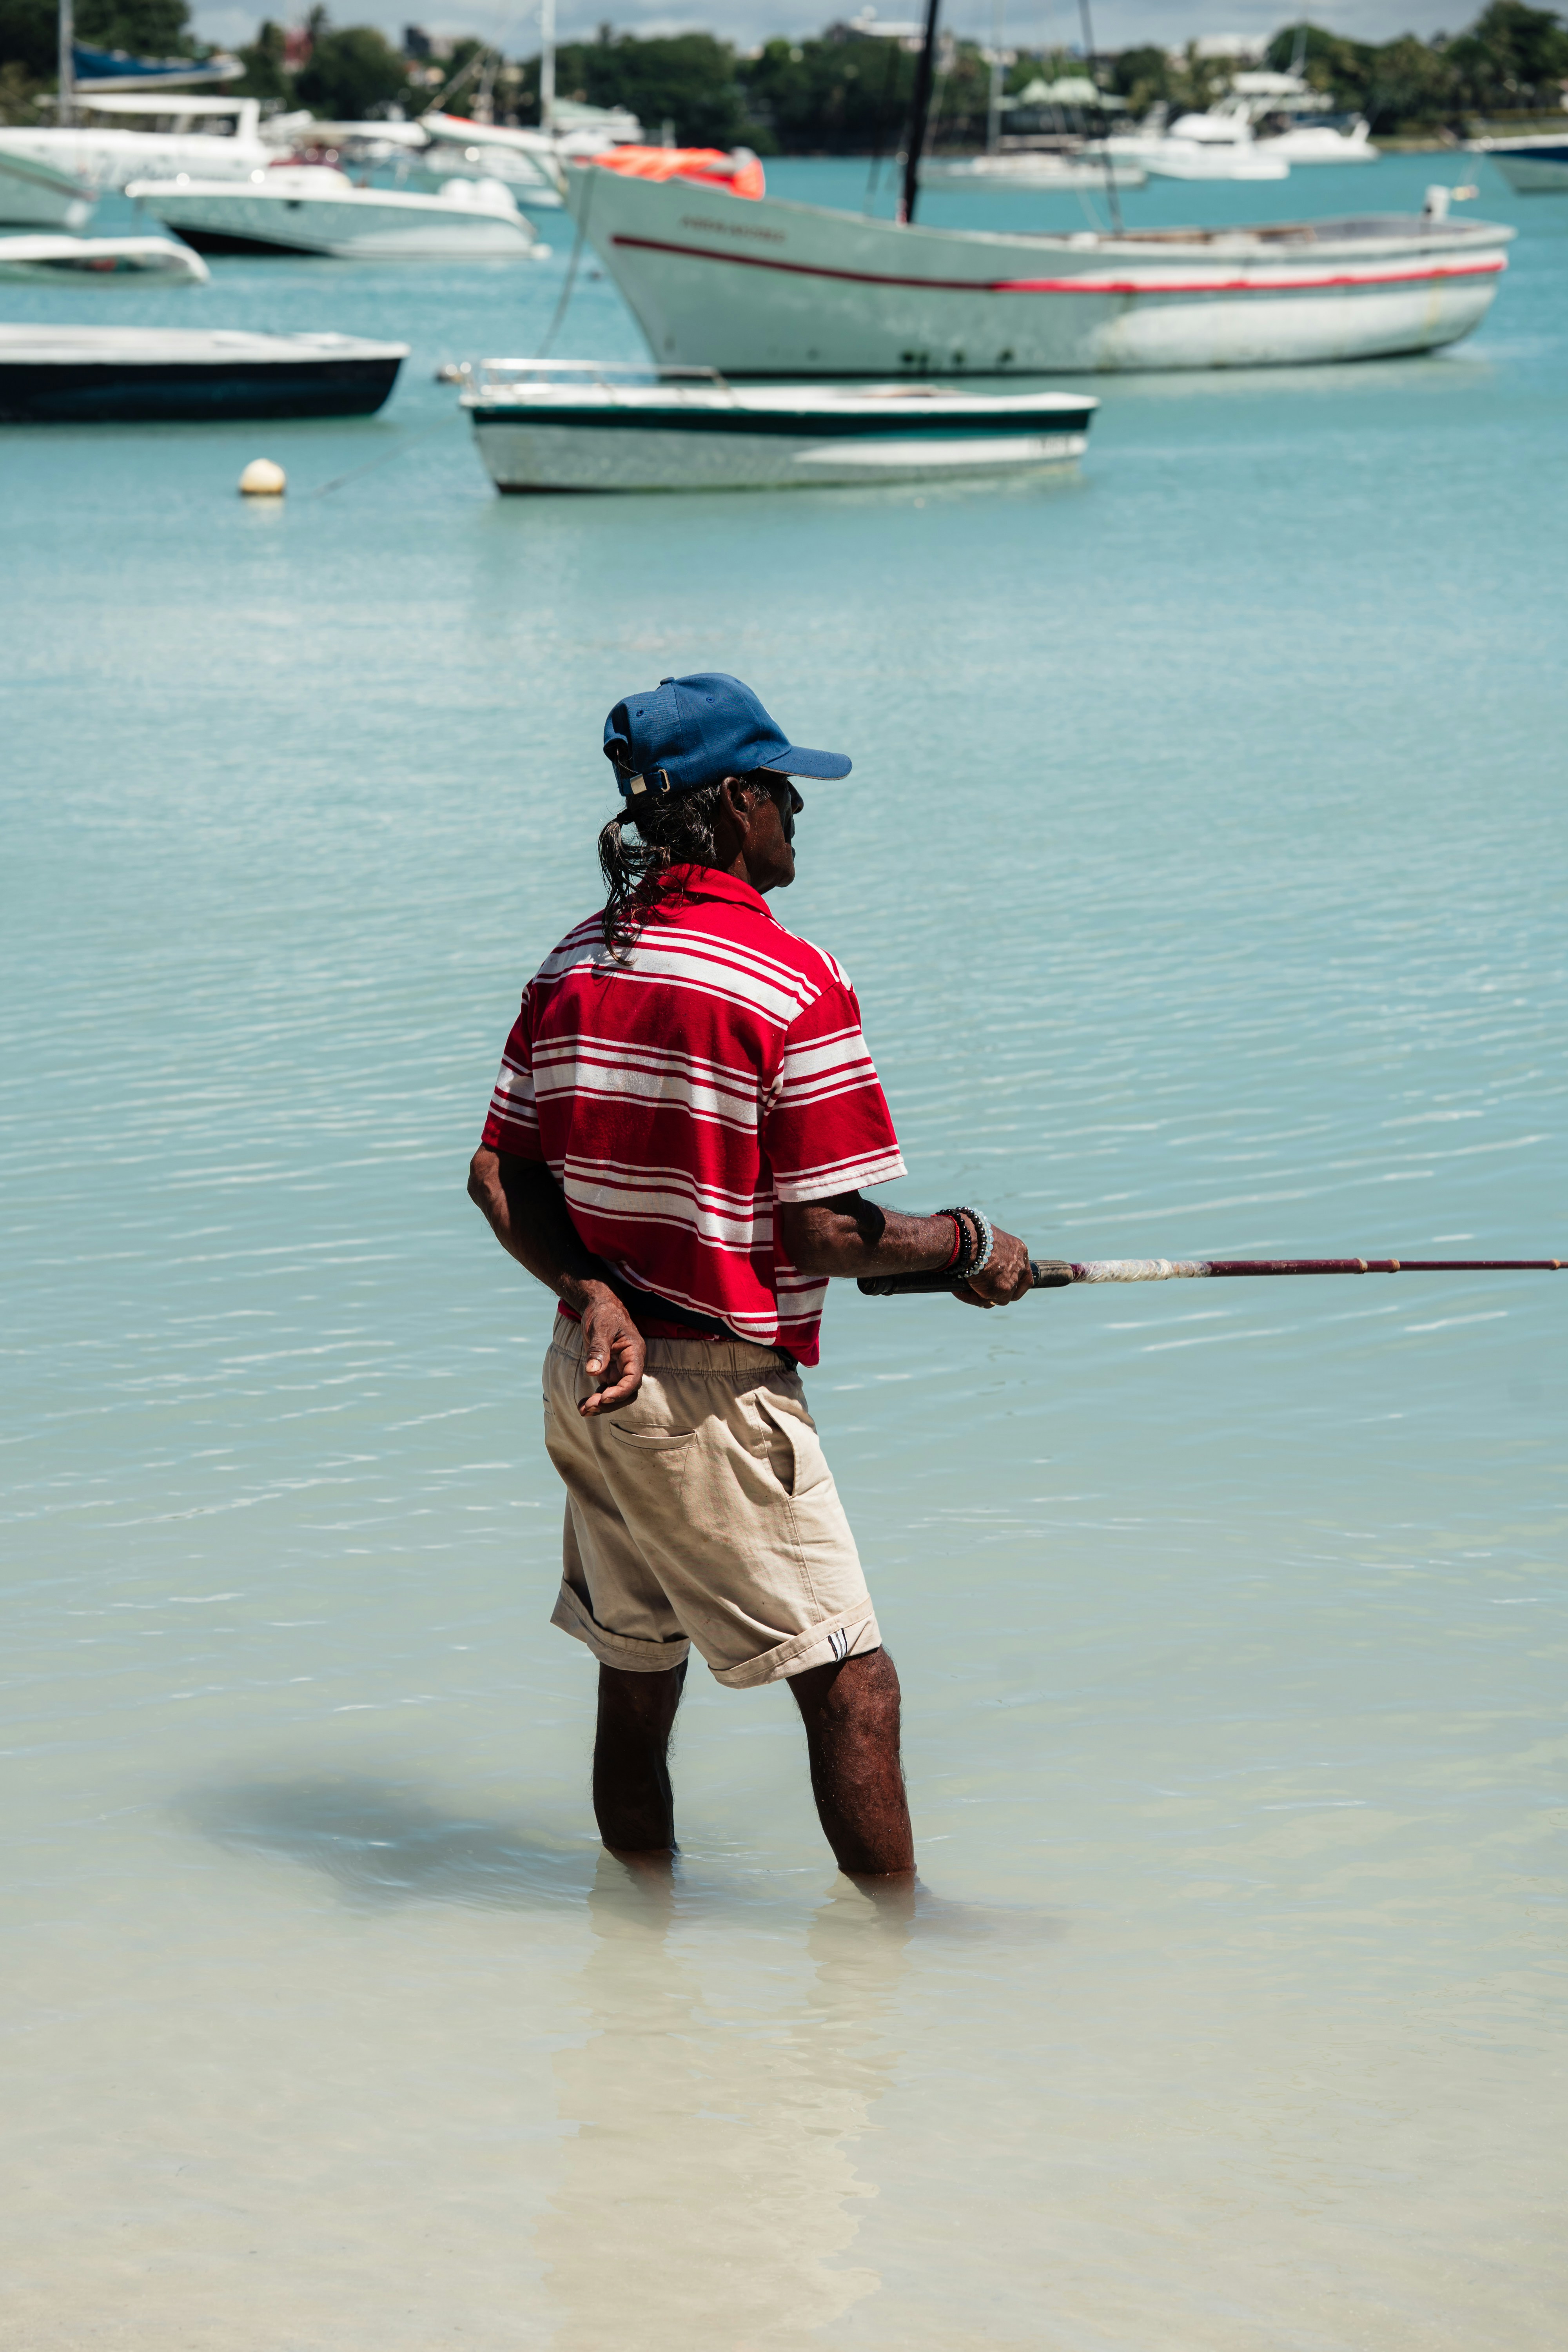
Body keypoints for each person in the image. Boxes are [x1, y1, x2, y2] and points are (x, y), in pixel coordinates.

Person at [468, 673, 1031, 1879]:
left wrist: (591, 1295)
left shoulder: (571, 964)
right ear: (731, 805)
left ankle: (638, 1960)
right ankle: (894, 1970)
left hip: (590, 1372)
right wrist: (970, 1247)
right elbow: (830, 1235)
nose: (797, 815)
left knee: (637, 1672)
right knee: (854, 1685)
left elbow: (497, 1180)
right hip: (710, 1394)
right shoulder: (791, 981)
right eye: (781, 792)